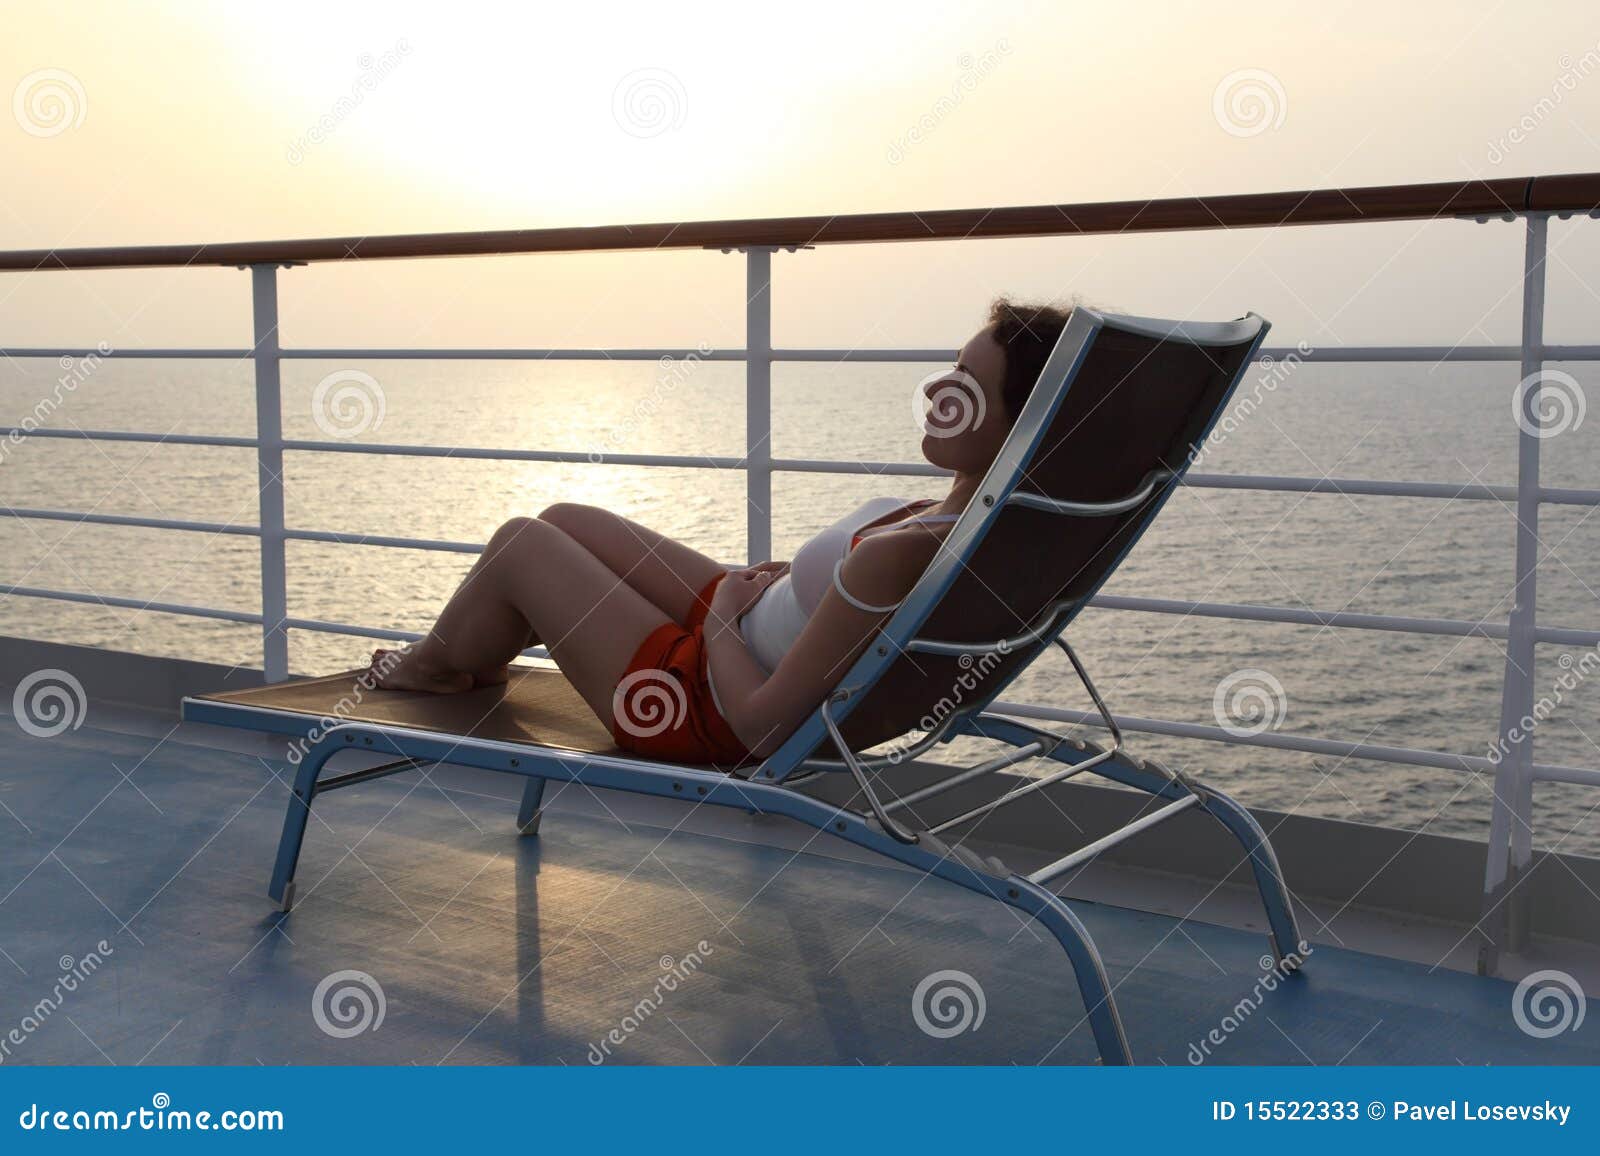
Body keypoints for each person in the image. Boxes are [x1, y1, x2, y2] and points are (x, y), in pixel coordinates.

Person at [372, 298, 1073, 763]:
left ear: (1024, 424)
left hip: (696, 702)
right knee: (564, 522)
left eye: (968, 386)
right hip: (734, 627)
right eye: (950, 371)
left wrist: (722, 628)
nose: (940, 395)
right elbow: (835, 621)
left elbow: (762, 730)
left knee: (524, 543)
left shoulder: (909, 550)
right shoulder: (965, 520)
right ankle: (473, 656)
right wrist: (764, 595)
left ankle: (433, 667)